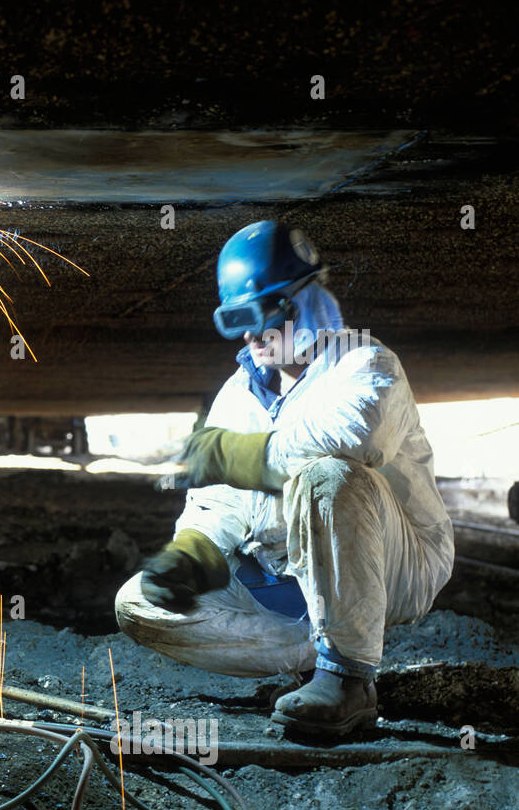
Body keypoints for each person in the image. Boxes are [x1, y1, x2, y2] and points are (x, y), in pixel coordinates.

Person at [115, 221, 454, 739]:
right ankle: (316, 649)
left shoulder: (366, 362)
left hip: (394, 567)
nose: (250, 338)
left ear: (306, 304)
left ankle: (347, 679)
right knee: (136, 604)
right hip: (286, 579)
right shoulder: (238, 392)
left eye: (260, 320)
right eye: (238, 324)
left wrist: (235, 452)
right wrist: (192, 555)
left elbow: (356, 439)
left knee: (329, 476)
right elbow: (217, 505)